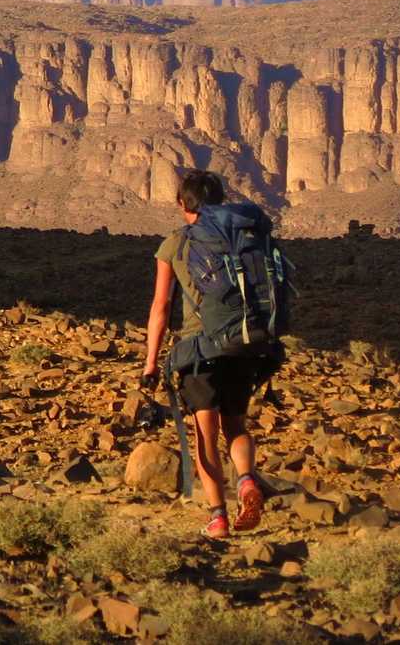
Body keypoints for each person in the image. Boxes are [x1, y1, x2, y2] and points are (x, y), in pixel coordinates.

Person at [141, 169, 281, 538]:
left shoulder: (175, 244)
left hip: (198, 349)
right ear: (219, 201)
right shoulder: (246, 236)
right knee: (237, 424)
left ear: (180, 204)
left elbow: (159, 307)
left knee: (206, 433)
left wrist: (151, 363)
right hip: (245, 342)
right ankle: (248, 480)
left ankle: (218, 517)